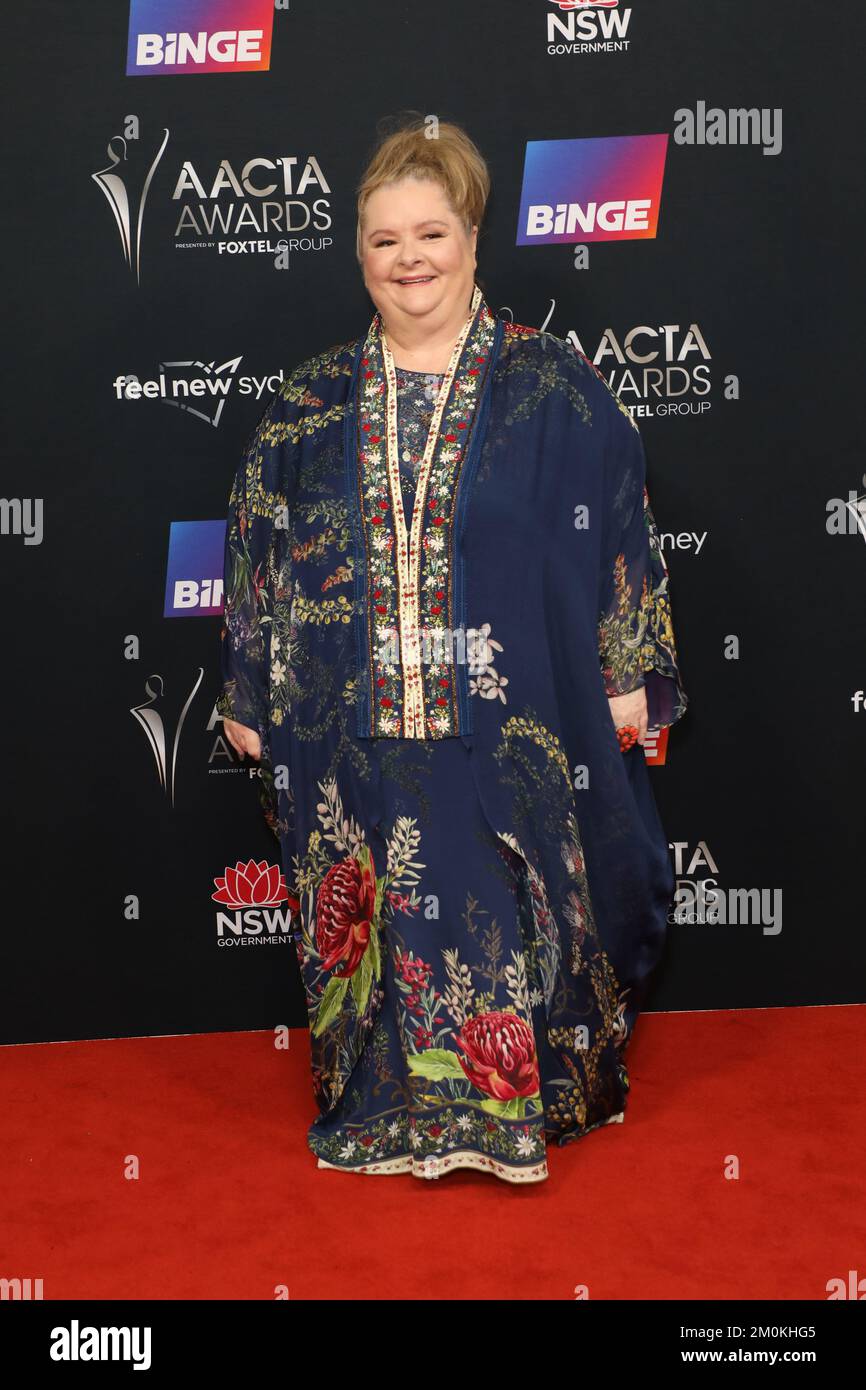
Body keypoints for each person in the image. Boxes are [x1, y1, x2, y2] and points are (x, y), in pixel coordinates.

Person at [217, 117, 688, 1184]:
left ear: (471, 238)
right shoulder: (302, 408)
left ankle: (512, 1113)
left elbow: (620, 518)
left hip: (512, 726)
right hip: (352, 732)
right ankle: (390, 1108)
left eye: (429, 233)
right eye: (384, 241)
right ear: (358, 255)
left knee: (514, 889)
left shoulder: (555, 389)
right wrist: (248, 683)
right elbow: (256, 544)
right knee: (370, 898)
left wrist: (624, 671)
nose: (409, 259)